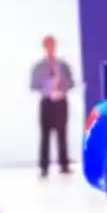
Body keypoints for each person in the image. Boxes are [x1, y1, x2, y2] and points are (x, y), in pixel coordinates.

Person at [30, 35, 76, 178]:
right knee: (45, 135)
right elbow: (33, 85)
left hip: (61, 102)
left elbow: (72, 83)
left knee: (62, 134)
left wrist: (62, 85)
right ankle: (44, 167)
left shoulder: (63, 65)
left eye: (53, 45)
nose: (50, 48)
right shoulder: (39, 67)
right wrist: (45, 85)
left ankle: (64, 165)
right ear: (44, 47)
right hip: (47, 102)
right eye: (48, 45)